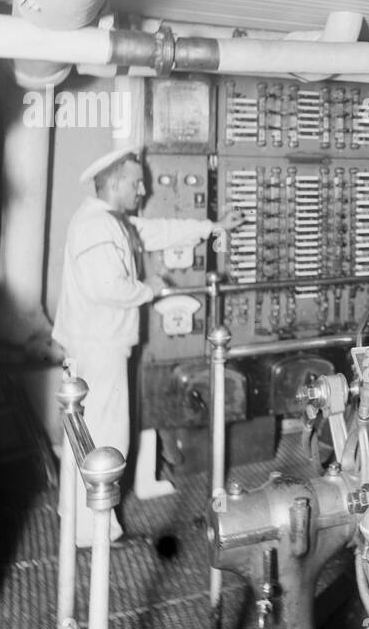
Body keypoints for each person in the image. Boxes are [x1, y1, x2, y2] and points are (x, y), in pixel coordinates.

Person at [52, 148, 241, 548]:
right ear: (116, 182)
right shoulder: (97, 227)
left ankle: (78, 522)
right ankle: (96, 533)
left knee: (84, 436)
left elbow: (159, 231)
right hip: (99, 346)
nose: (143, 189)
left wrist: (212, 226)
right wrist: (151, 289)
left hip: (95, 343)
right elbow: (109, 289)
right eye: (136, 182)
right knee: (106, 439)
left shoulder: (109, 223)